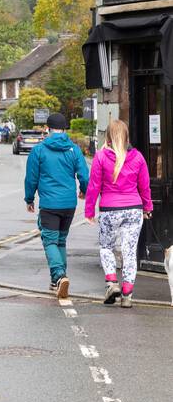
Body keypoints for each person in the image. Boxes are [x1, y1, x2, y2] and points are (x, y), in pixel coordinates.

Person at [84, 119, 153, 308]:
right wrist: (147, 208)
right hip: (133, 210)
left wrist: (89, 211)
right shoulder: (138, 157)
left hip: (110, 210)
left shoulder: (100, 157)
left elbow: (93, 187)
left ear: (107, 136)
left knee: (107, 247)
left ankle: (112, 282)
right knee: (129, 252)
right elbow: (144, 187)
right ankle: (127, 296)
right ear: (126, 136)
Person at [24, 112, 91, 299]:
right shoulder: (74, 149)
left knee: (50, 241)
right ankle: (57, 281)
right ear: (65, 129)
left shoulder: (39, 150)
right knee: (61, 240)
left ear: (47, 128)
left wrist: (29, 199)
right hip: (69, 204)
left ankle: (60, 275)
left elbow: (31, 178)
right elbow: (84, 176)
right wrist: (84, 191)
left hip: (49, 205)